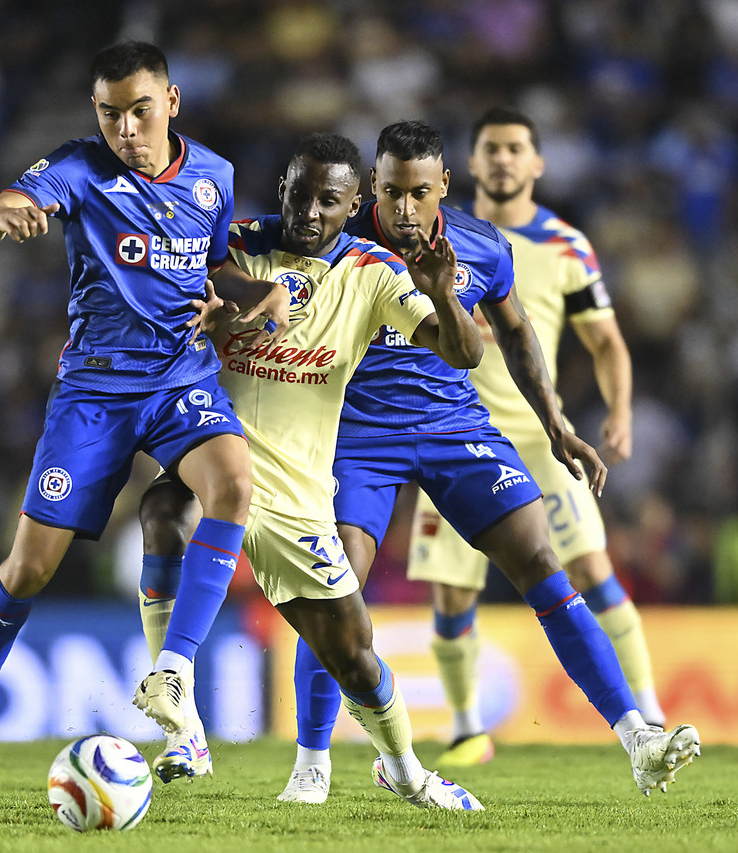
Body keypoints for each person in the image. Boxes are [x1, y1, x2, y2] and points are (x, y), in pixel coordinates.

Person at [140, 120, 699, 805]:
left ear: (443, 188)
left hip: (452, 423)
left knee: (541, 563)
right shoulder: (335, 229)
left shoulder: (480, 246)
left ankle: (637, 736)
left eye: (419, 194)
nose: (404, 209)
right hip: (355, 435)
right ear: (370, 187)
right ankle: (312, 763)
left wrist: (555, 424)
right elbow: (222, 260)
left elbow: (512, 335)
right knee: (335, 591)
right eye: (393, 192)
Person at [0, 41, 289, 788]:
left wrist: (244, 297)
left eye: (139, 110)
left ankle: (173, 670)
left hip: (179, 378)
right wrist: (7, 218)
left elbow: (213, 258)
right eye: (109, 113)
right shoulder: (79, 167)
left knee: (232, 486)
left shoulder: (213, 175)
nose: (124, 127)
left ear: (172, 103)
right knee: (30, 566)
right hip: (94, 392)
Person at [143, 131, 487, 810]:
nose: (308, 212)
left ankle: (406, 770)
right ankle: (179, 710)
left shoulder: (376, 272)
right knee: (163, 512)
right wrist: (217, 305)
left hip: (300, 497)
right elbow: (185, 280)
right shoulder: (238, 244)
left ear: (354, 204)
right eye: (298, 194)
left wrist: (445, 296)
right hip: (222, 462)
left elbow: (464, 352)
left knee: (352, 652)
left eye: (328, 201)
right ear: (283, 190)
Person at [406, 107, 666, 768]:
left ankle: (650, 712)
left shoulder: (567, 245)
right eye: (490, 148)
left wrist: (621, 410)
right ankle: (467, 727)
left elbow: (605, 339)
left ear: (538, 163)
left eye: (515, 148)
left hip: (542, 435)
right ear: (469, 163)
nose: (501, 159)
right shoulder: (437, 234)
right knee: (451, 591)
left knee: (591, 570)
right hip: (457, 432)